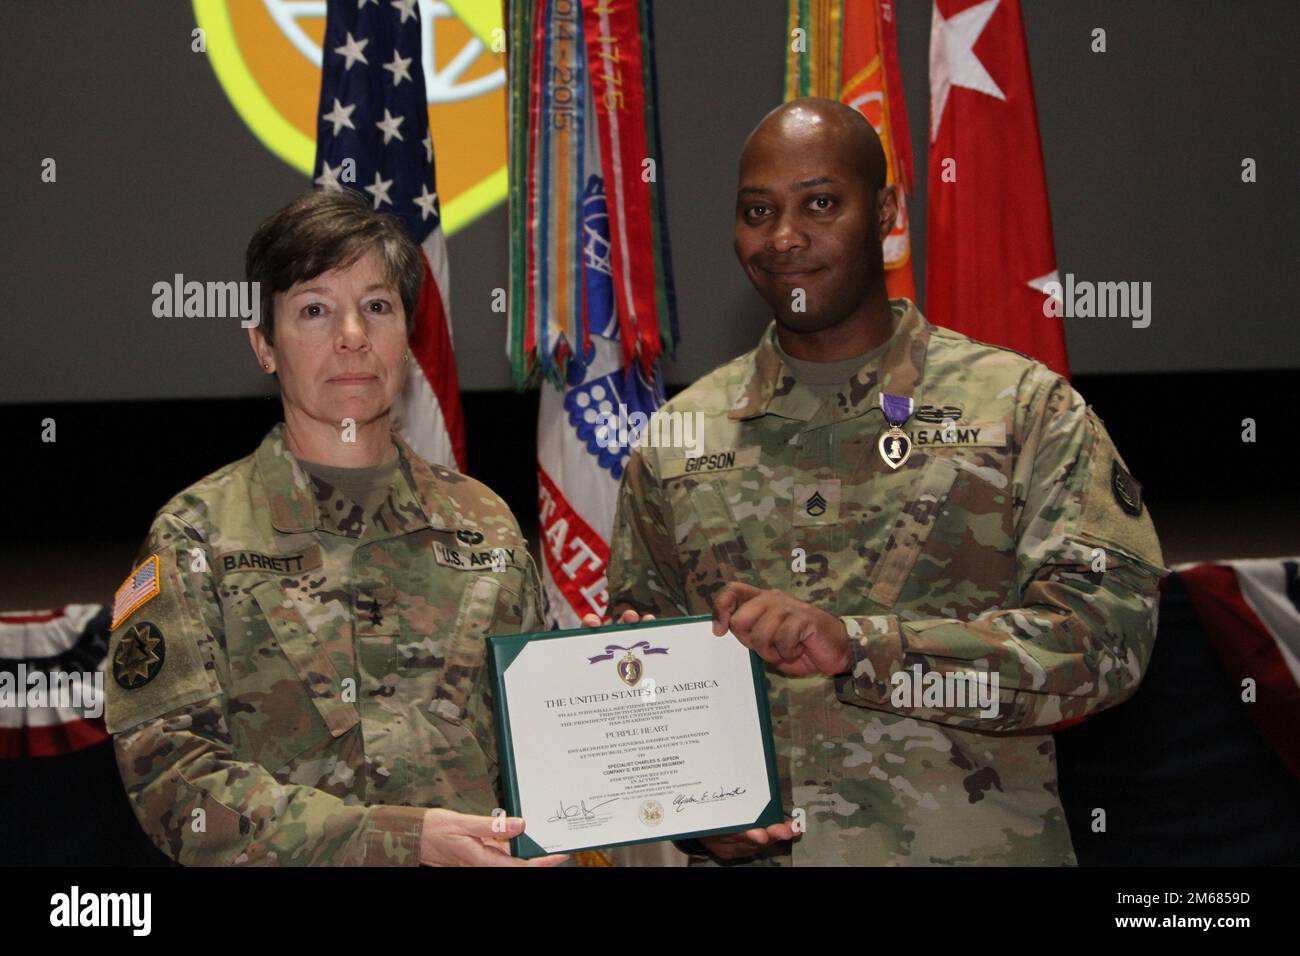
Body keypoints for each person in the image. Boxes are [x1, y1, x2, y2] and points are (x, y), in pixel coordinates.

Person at [606, 98, 1168, 865]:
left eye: (822, 203)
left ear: (888, 211)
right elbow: (639, 672)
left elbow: (1108, 642)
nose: (784, 237)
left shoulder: (1022, 409)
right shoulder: (678, 436)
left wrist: (863, 650)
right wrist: (687, 812)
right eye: (758, 211)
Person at [104, 189, 563, 866]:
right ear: (263, 345)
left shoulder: (486, 527)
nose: (352, 335)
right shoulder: (196, 536)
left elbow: (544, 748)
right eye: (314, 310)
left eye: (377, 307)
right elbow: (175, 783)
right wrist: (398, 841)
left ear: (408, 337)